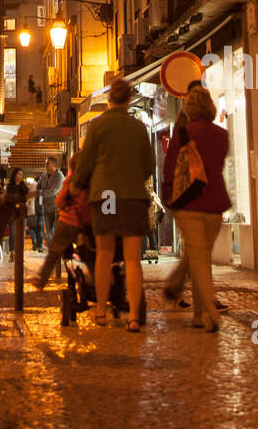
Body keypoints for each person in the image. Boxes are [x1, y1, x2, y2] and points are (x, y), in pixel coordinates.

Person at [74, 78, 154, 332]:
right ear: (129, 100)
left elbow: (85, 164)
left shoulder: (97, 126)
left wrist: (78, 185)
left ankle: (100, 311)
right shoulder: (139, 127)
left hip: (104, 197)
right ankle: (132, 316)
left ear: (109, 100)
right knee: (131, 258)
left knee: (104, 254)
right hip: (132, 197)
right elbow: (149, 166)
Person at [162, 82, 231, 333]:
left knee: (198, 259)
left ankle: (210, 313)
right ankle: (198, 315)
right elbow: (217, 167)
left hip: (189, 204)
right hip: (215, 204)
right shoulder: (221, 135)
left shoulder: (182, 133)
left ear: (189, 107)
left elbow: (170, 168)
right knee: (202, 259)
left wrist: (169, 197)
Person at [34, 152, 90, 289]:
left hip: (69, 222)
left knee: (54, 250)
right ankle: (96, 280)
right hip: (87, 223)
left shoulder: (69, 180)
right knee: (91, 253)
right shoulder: (92, 181)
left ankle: (42, 279)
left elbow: (60, 201)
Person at [38, 156, 65, 244]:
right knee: (48, 230)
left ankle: (57, 247)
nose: (45, 165)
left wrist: (41, 193)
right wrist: (40, 202)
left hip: (57, 207)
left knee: (57, 229)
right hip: (46, 207)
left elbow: (54, 191)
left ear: (53, 164)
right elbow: (38, 187)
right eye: (46, 163)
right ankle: (50, 248)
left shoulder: (59, 176)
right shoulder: (44, 175)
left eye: (47, 163)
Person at [6, 167, 28, 260]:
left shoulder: (24, 187)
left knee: (21, 234)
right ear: (14, 174)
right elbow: (9, 198)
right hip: (13, 212)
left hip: (22, 212)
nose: (20, 176)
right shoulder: (10, 186)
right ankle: (12, 252)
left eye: (21, 174)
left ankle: (20, 254)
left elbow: (25, 198)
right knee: (12, 233)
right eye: (19, 174)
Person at [25, 177, 44, 251]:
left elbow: (27, 200)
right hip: (41, 211)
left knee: (32, 228)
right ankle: (40, 246)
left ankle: (34, 242)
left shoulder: (31, 188)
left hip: (32, 211)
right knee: (40, 229)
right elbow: (42, 201)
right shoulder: (42, 190)